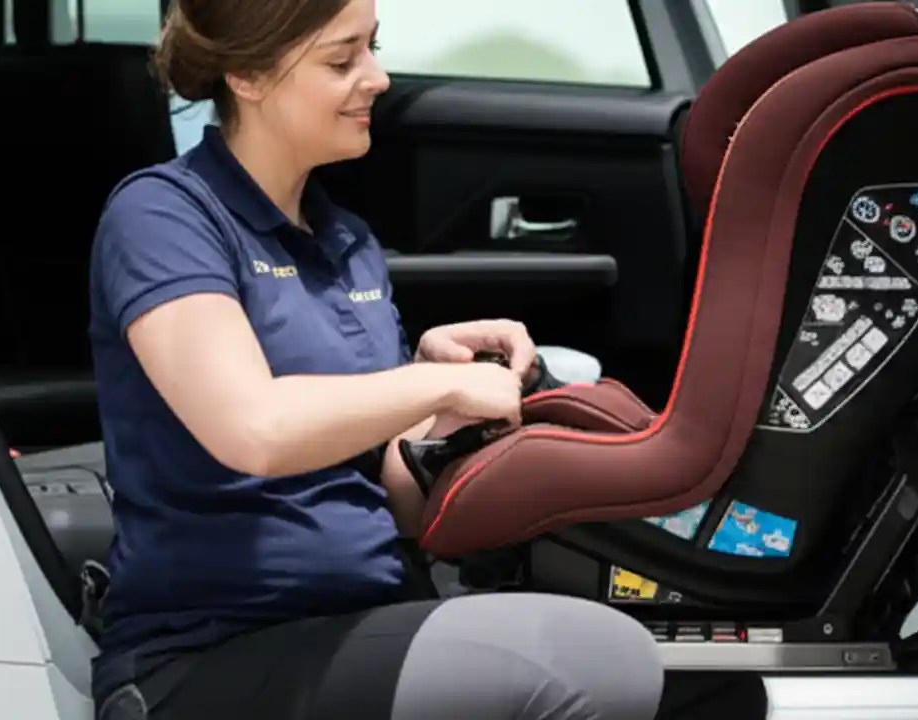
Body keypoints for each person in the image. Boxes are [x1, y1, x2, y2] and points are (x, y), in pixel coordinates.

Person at [86, 0, 666, 717]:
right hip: (213, 648)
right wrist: (425, 382)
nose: (379, 78)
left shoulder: (348, 241)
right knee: (594, 661)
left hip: (369, 613)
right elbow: (255, 430)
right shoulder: (164, 217)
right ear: (249, 75)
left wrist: (462, 422)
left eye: (374, 48)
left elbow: (400, 501)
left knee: (712, 681)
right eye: (343, 59)